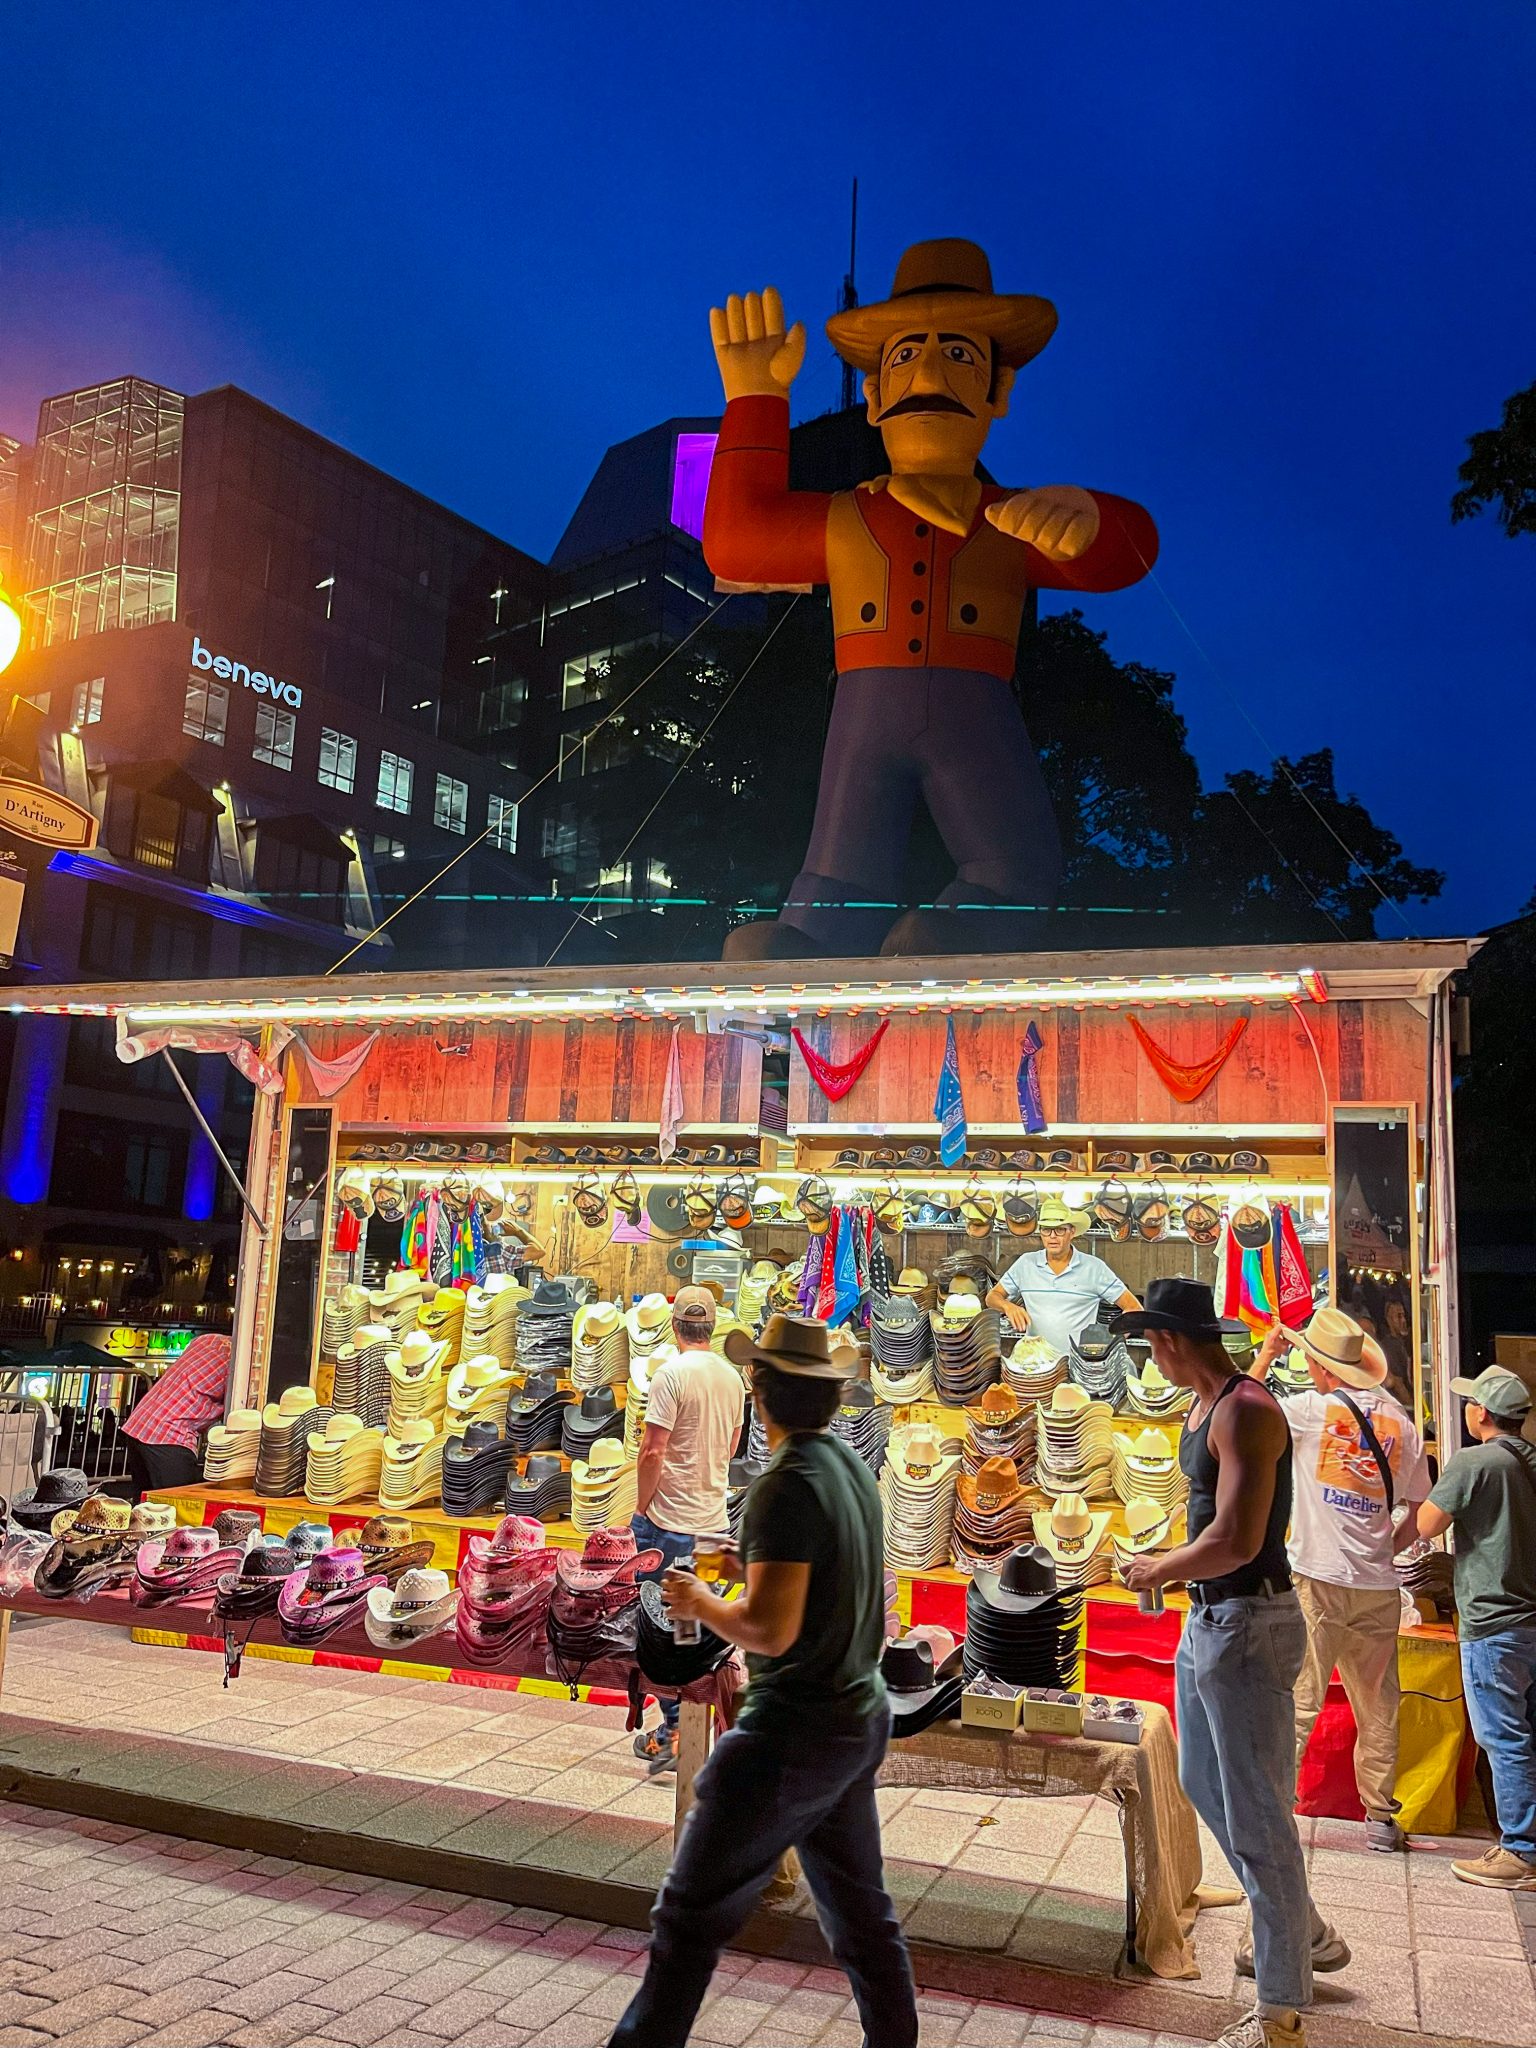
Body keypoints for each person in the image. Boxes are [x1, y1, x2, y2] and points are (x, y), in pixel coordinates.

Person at [610, 1313, 917, 2048]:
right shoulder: (847, 1469)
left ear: (761, 1392)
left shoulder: (785, 1484)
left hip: (795, 1726)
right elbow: (816, 1588)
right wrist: (744, 1573)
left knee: (689, 1913)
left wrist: (700, 1602)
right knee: (859, 1917)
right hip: (854, 1710)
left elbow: (771, 1631)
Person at [1116, 1279, 1345, 2048]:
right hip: (1211, 1617)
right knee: (1201, 1781)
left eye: (1153, 1344)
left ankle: (1281, 2007)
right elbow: (1210, 1527)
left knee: (1256, 1818)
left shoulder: (1247, 1410)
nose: (1152, 1359)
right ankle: (1304, 1929)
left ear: (1173, 1341)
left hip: (1248, 1621)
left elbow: (1241, 1539)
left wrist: (1159, 1568)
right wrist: (1172, 1566)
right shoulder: (1205, 1405)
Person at [1253, 1307, 1430, 1855]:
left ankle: (1278, 1806)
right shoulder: (1402, 1422)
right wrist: (1386, 1547)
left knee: (1300, 1697)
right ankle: (1381, 1817)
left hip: (1319, 1579)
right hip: (1378, 1586)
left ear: (1321, 1367)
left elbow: (1236, 1413)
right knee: (1379, 1704)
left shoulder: (1308, 1411)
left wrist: (1263, 1356)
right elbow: (1422, 1505)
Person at [1417, 1366, 1536, 1890]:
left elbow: (1426, 1524)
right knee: (1526, 1734)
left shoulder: (1473, 1461)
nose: (1466, 1409)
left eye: (1470, 1403)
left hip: (1494, 1618)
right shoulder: (1530, 1462)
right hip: (1532, 1618)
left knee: (1503, 1735)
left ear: (1482, 1413)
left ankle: (1521, 1851)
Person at [630, 1285, 745, 1772]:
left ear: (675, 1326)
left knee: (665, 1632)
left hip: (670, 1524)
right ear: (712, 1327)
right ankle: (697, 1733)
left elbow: (653, 1450)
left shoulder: (670, 1375)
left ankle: (677, 1730)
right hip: (714, 1523)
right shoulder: (733, 1378)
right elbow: (735, 1444)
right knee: (699, 1634)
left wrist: (641, 1506)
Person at [985, 1195, 1139, 1352]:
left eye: (1059, 1229)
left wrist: (1110, 1343)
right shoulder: (1026, 1264)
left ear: (1071, 1232)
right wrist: (1008, 1306)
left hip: (1079, 1364)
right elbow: (992, 1297)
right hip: (1036, 1363)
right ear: (1041, 1233)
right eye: (1046, 1229)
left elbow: (1134, 1308)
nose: (1052, 1236)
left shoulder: (1094, 1268)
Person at [120, 1332, 232, 1498]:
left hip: (140, 1423)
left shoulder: (209, 1339)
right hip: (170, 1434)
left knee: (145, 1508)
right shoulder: (239, 1360)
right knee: (179, 1506)